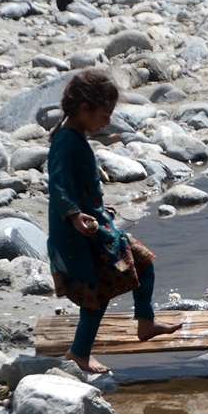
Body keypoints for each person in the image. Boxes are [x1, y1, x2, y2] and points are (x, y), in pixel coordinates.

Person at [47, 69, 181, 373]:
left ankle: (145, 322)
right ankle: (79, 353)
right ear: (84, 110)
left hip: (93, 223)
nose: (107, 121)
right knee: (96, 295)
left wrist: (94, 204)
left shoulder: (75, 135)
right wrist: (74, 213)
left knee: (142, 262)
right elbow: (58, 184)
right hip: (78, 233)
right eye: (105, 114)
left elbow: (77, 183)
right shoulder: (66, 141)